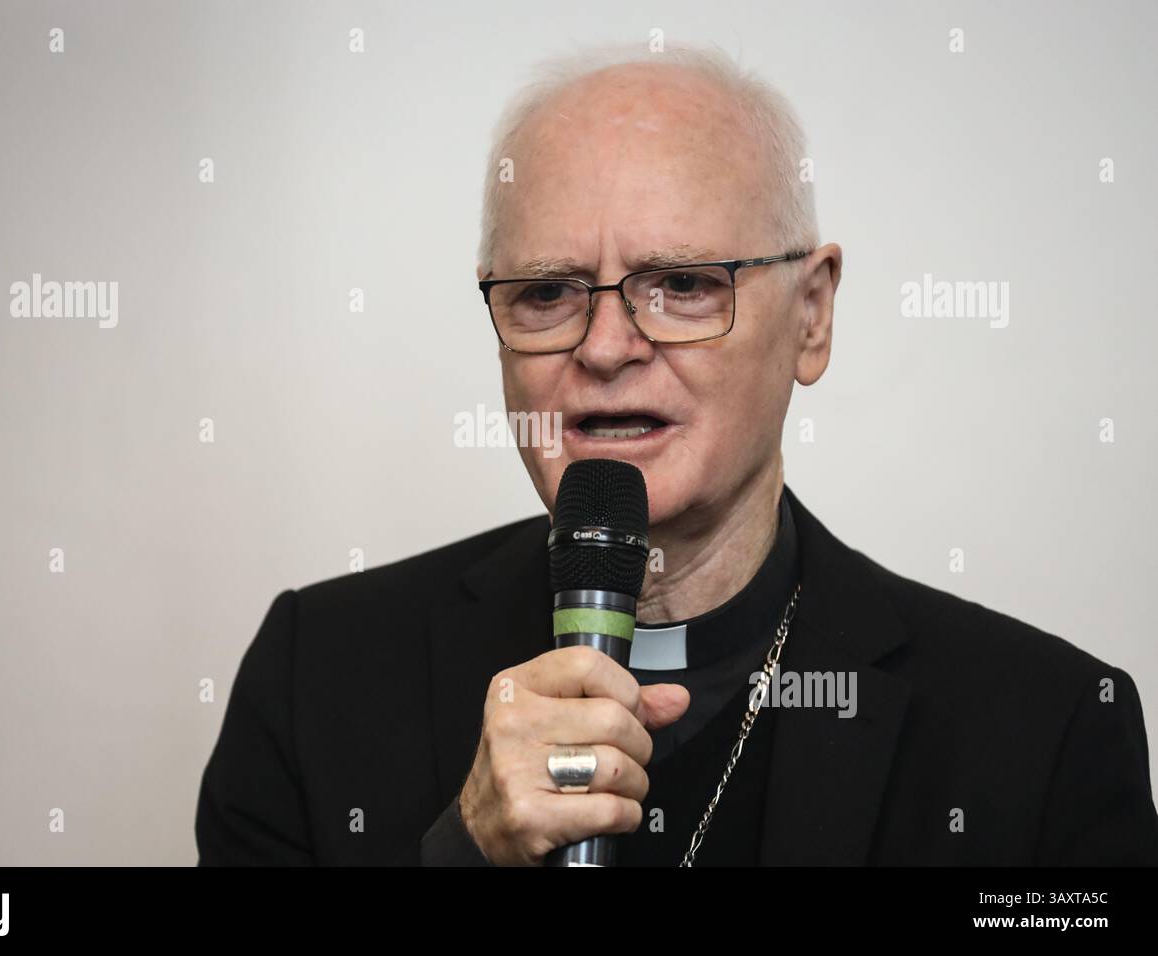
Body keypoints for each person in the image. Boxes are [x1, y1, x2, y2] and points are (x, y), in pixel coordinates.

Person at [195, 42, 1158, 866]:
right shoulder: (314, 676)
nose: (607, 347)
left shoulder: (1044, 729)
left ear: (812, 317)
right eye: (547, 294)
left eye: (685, 285)